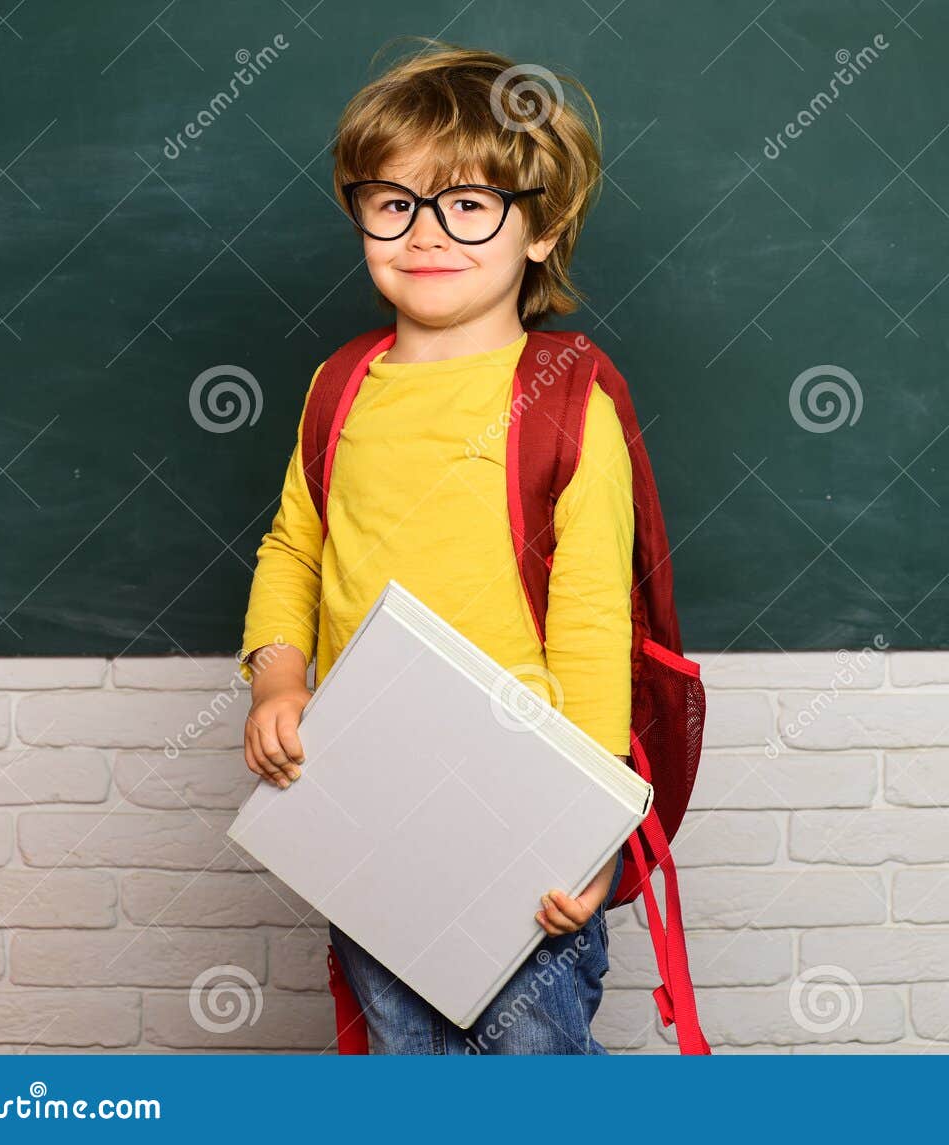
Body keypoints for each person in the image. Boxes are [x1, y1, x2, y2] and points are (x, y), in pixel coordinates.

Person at [236, 38, 633, 1054]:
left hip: (521, 822)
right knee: (402, 1061)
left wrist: (588, 837)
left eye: (469, 205)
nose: (427, 233)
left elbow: (593, 625)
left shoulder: (566, 406)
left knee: (530, 1063)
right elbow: (294, 546)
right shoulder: (340, 387)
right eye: (395, 201)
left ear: (540, 230)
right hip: (371, 810)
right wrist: (277, 678)